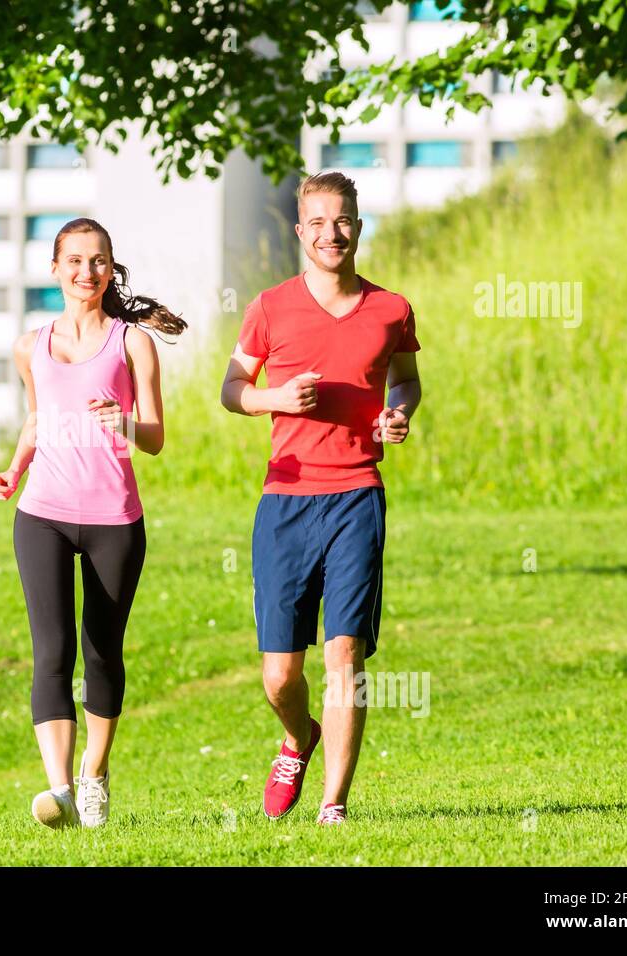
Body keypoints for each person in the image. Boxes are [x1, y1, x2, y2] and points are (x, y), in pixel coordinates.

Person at [220, 172, 422, 825]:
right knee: (280, 676)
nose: (332, 233)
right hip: (286, 496)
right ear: (301, 231)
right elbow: (231, 390)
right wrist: (273, 398)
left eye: (344, 221)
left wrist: (398, 413)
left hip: (358, 492)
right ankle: (297, 738)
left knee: (344, 653)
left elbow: (407, 383)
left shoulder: (392, 309)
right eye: (318, 223)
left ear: (358, 226)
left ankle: (333, 804)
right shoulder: (270, 307)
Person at [0, 218, 186, 829]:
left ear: (110, 269)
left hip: (113, 519)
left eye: (98, 261)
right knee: (52, 650)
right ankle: (61, 793)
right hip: (41, 515)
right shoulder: (30, 345)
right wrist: (13, 471)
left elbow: (153, 437)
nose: (86, 272)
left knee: (101, 652)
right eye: (74, 261)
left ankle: (94, 777)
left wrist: (119, 422)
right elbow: (36, 419)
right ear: (55, 268)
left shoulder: (132, 343)